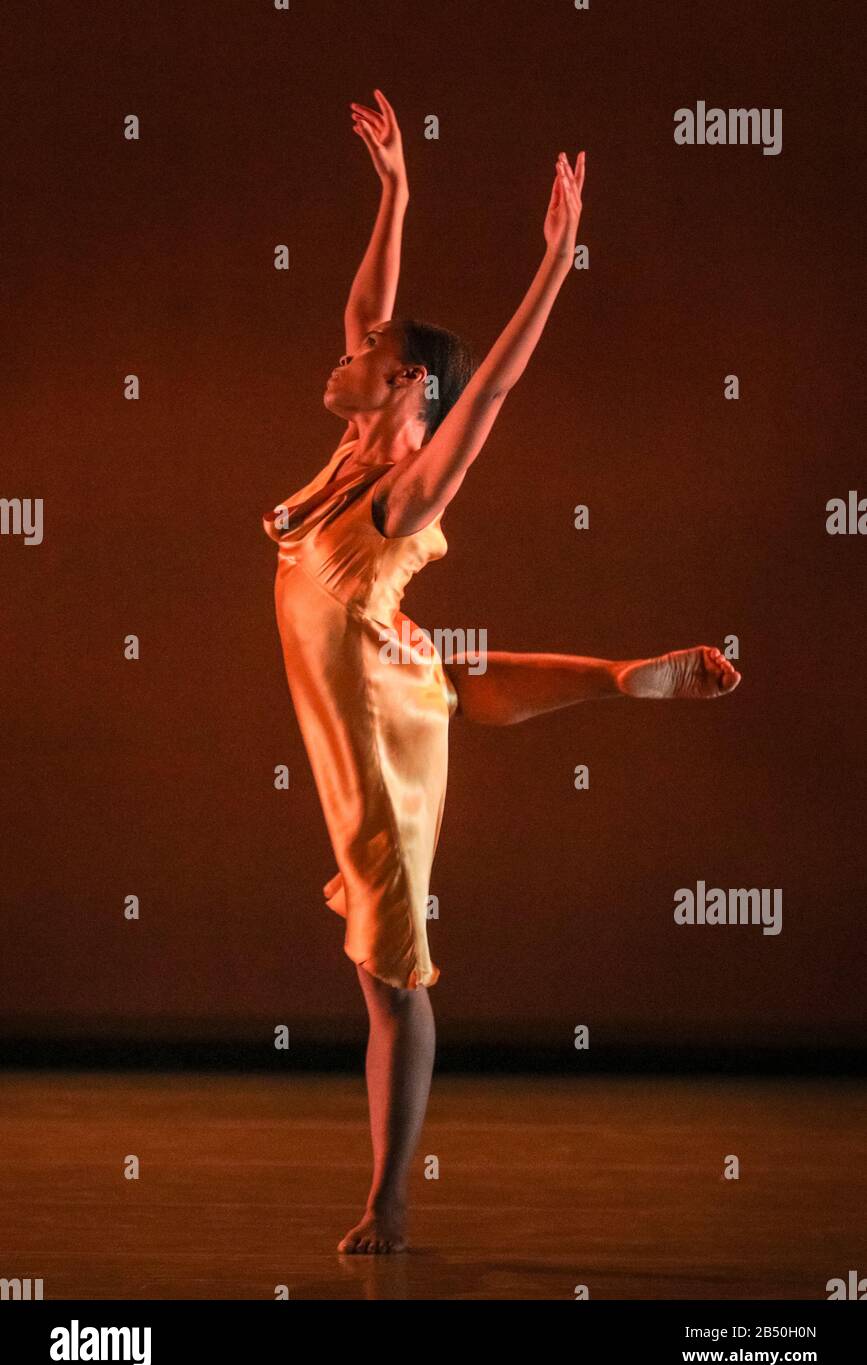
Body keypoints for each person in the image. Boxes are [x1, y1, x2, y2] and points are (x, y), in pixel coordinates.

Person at [263, 90, 741, 1255]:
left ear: (406, 392)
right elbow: (371, 307)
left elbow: (491, 396)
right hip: (379, 673)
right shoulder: (354, 447)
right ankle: (625, 674)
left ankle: (391, 1196)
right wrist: (397, 194)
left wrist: (556, 267)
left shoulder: (402, 490)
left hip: (370, 737)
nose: (352, 348)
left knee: (393, 978)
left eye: (371, 357)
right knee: (457, 675)